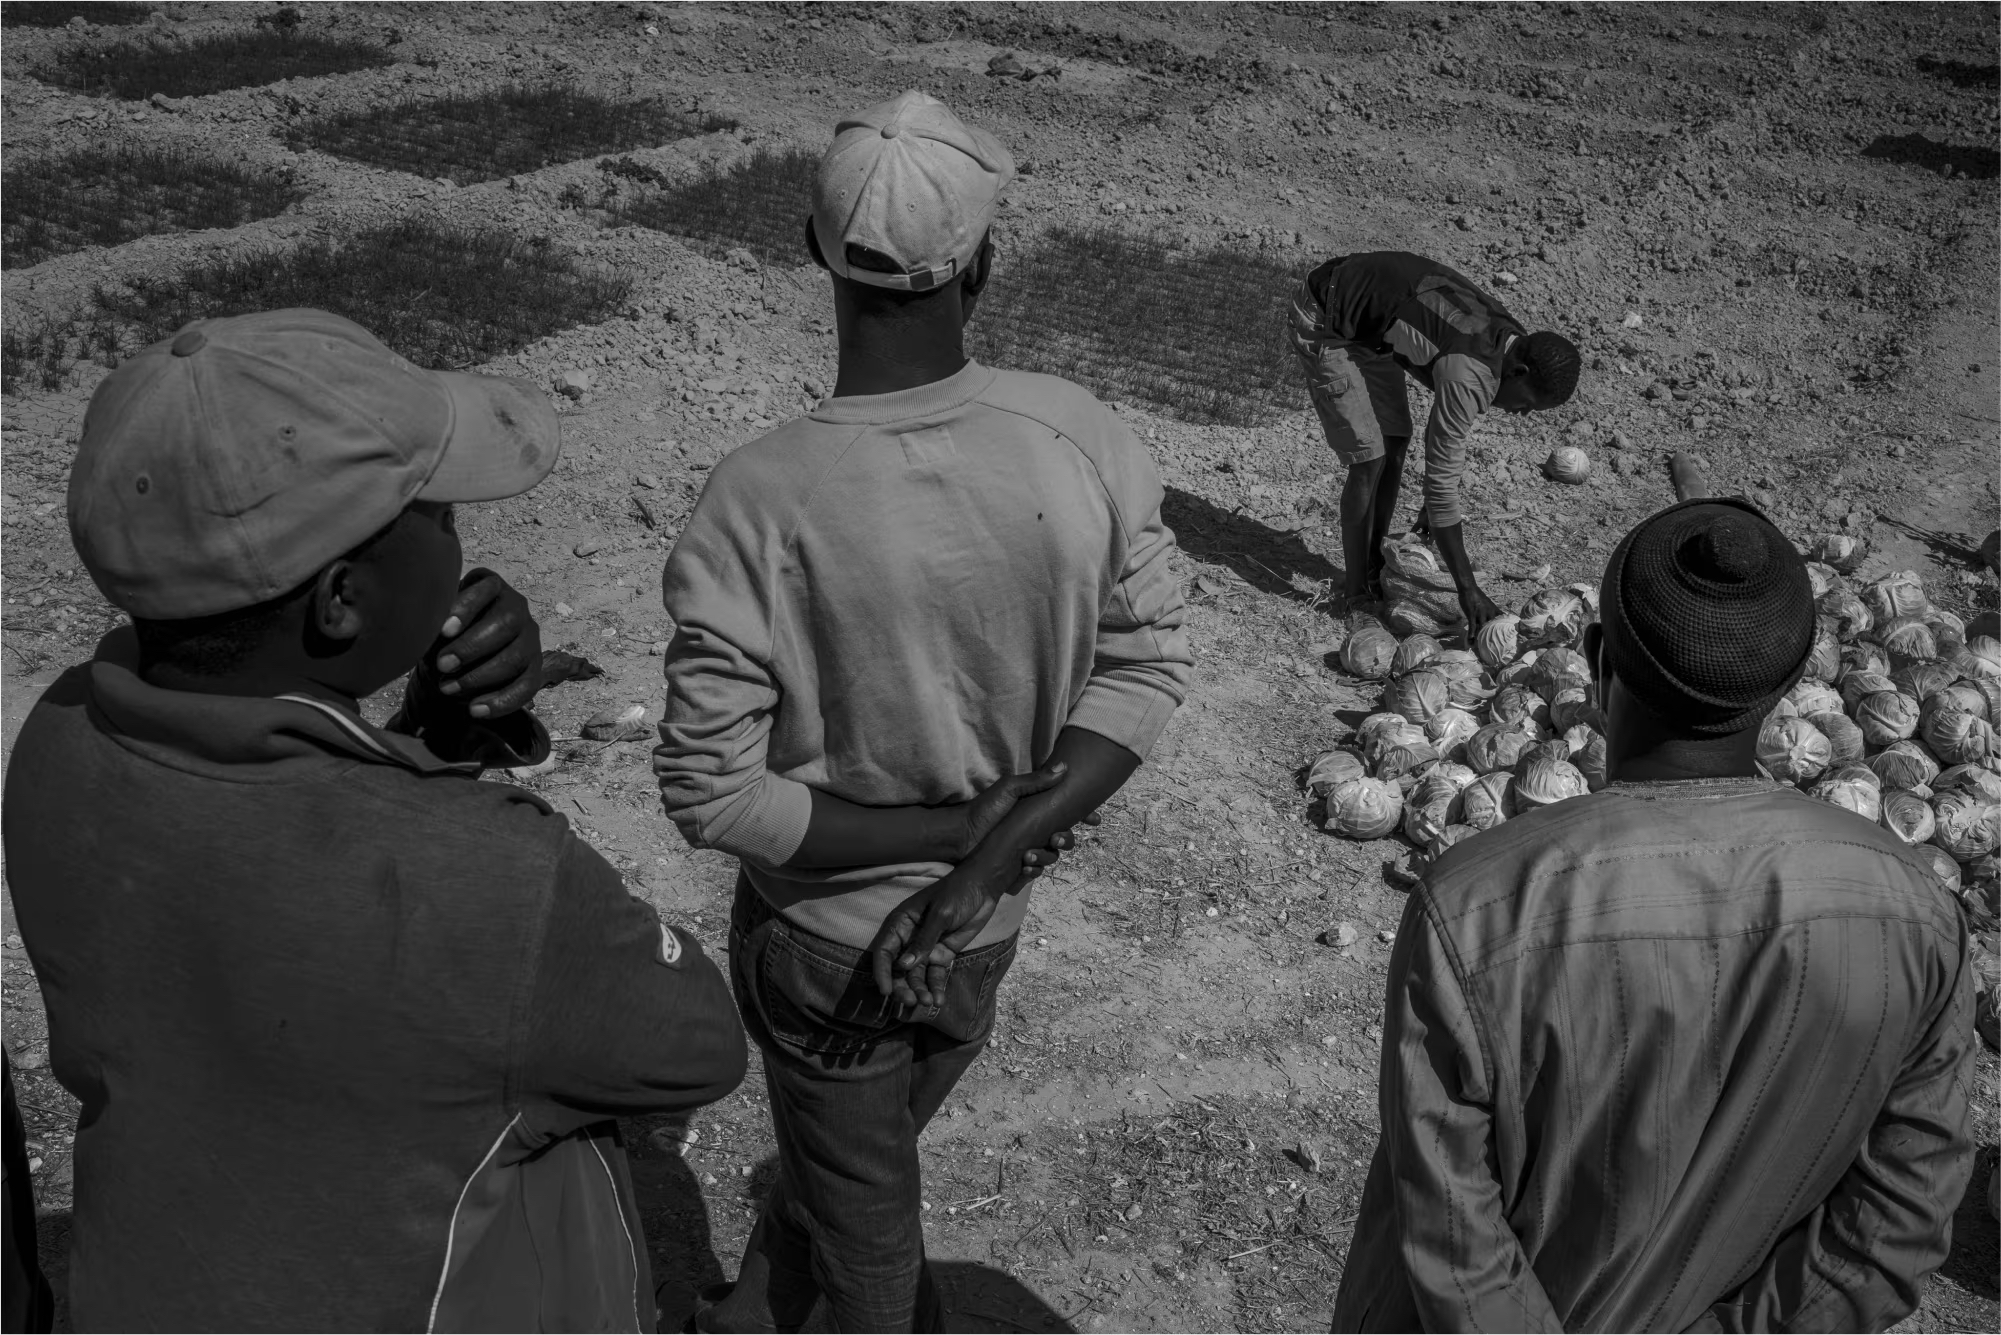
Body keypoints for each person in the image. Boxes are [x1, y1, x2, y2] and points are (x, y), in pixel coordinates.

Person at [2, 310, 748, 1332]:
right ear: (343, 601)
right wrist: (445, 792)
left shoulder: (61, 737)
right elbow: (697, 1043)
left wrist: (423, 740)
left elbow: (287, 868)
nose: (457, 536)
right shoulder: (490, 878)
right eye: (436, 515)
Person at [653, 90, 1193, 1333]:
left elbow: (714, 795)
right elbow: (1147, 665)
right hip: (983, 925)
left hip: (826, 947)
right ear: (983, 261)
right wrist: (978, 858)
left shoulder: (759, 498)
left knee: (862, 1227)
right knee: (863, 1217)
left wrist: (959, 849)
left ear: (815, 251)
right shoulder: (1077, 434)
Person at [1332, 496, 1977, 1332]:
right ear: (1790, 685)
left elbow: (1454, 1238)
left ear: (1596, 659)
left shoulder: (1476, 908)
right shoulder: (1915, 914)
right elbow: (1896, 1221)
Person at [1285, 251, 1580, 628]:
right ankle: (1356, 597)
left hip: (1372, 324)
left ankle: (1375, 565)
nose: (1522, 413)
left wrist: (1435, 509)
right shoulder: (1469, 374)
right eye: (1528, 404)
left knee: (1393, 442)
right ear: (1518, 373)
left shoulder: (1512, 341)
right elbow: (1441, 486)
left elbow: (1445, 455)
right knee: (1369, 458)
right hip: (1328, 315)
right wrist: (1468, 589)